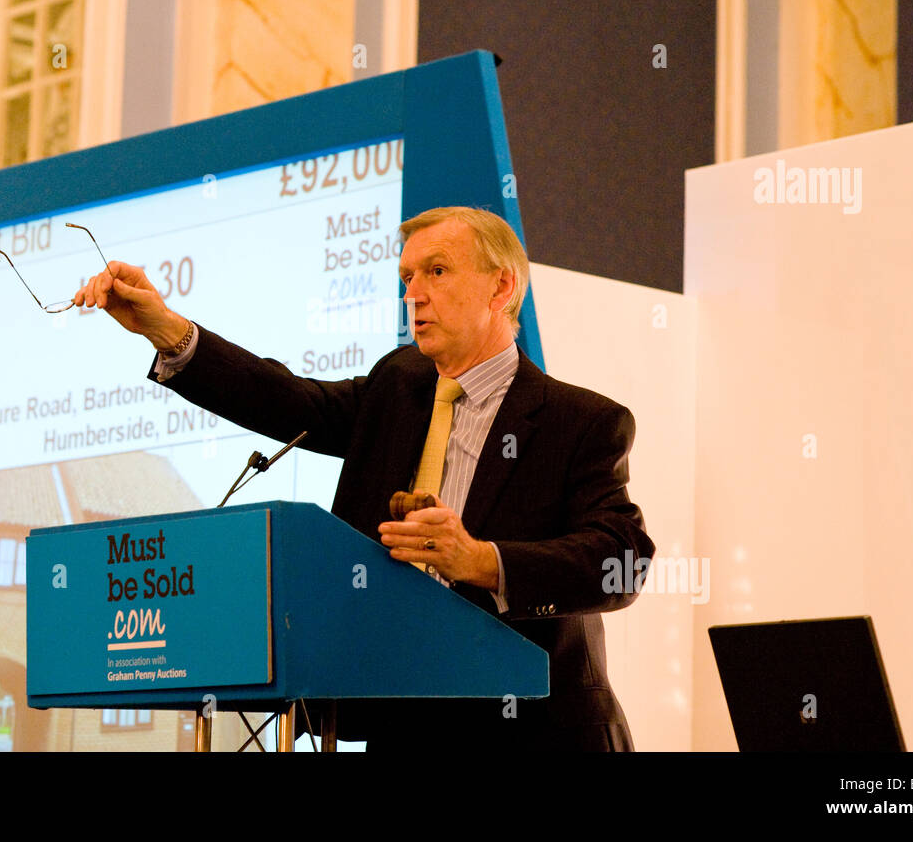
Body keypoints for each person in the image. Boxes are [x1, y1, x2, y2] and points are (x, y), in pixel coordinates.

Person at [73, 205, 655, 751]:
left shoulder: (580, 422)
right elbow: (289, 402)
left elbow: (621, 558)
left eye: (437, 271)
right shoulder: (397, 385)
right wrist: (166, 329)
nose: (414, 294)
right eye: (406, 277)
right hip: (403, 725)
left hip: (536, 734)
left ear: (501, 288)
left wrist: (479, 559)